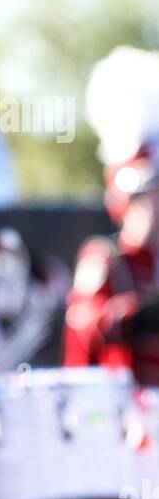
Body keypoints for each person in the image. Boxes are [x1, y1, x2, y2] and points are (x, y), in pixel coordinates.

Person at [64, 146, 159, 385]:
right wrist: (132, 316)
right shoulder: (104, 257)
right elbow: (82, 324)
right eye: (150, 197)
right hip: (117, 402)